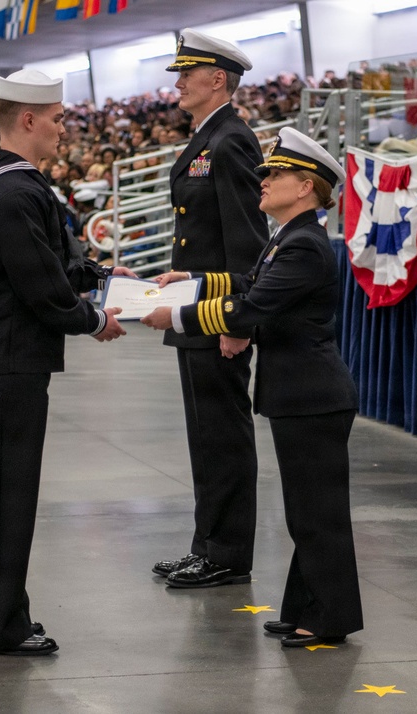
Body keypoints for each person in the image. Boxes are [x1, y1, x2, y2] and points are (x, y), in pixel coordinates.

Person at [142, 126, 363, 648]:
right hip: (299, 398)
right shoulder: (289, 237)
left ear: (306, 185)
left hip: (313, 398)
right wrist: (193, 280)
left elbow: (250, 308)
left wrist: (176, 316)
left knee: (318, 515)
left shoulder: (304, 245)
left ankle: (329, 619)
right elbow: (245, 283)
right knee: (304, 513)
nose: (262, 181)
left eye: (275, 174)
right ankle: (305, 608)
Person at [0, 69, 128, 657]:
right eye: (56, 118)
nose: (62, 127)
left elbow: (44, 264)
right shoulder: (18, 190)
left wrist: (102, 277)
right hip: (6, 360)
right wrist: (96, 319)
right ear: (27, 119)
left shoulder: (1, 181)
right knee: (5, 496)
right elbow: (41, 288)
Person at [150, 28, 268, 589]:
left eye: (185, 72)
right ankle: (207, 544)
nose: (177, 82)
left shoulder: (231, 140)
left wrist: (238, 320)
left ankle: (226, 553)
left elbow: (247, 243)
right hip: (197, 309)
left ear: (215, 78)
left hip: (217, 316)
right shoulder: (207, 136)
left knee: (222, 435)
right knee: (205, 436)